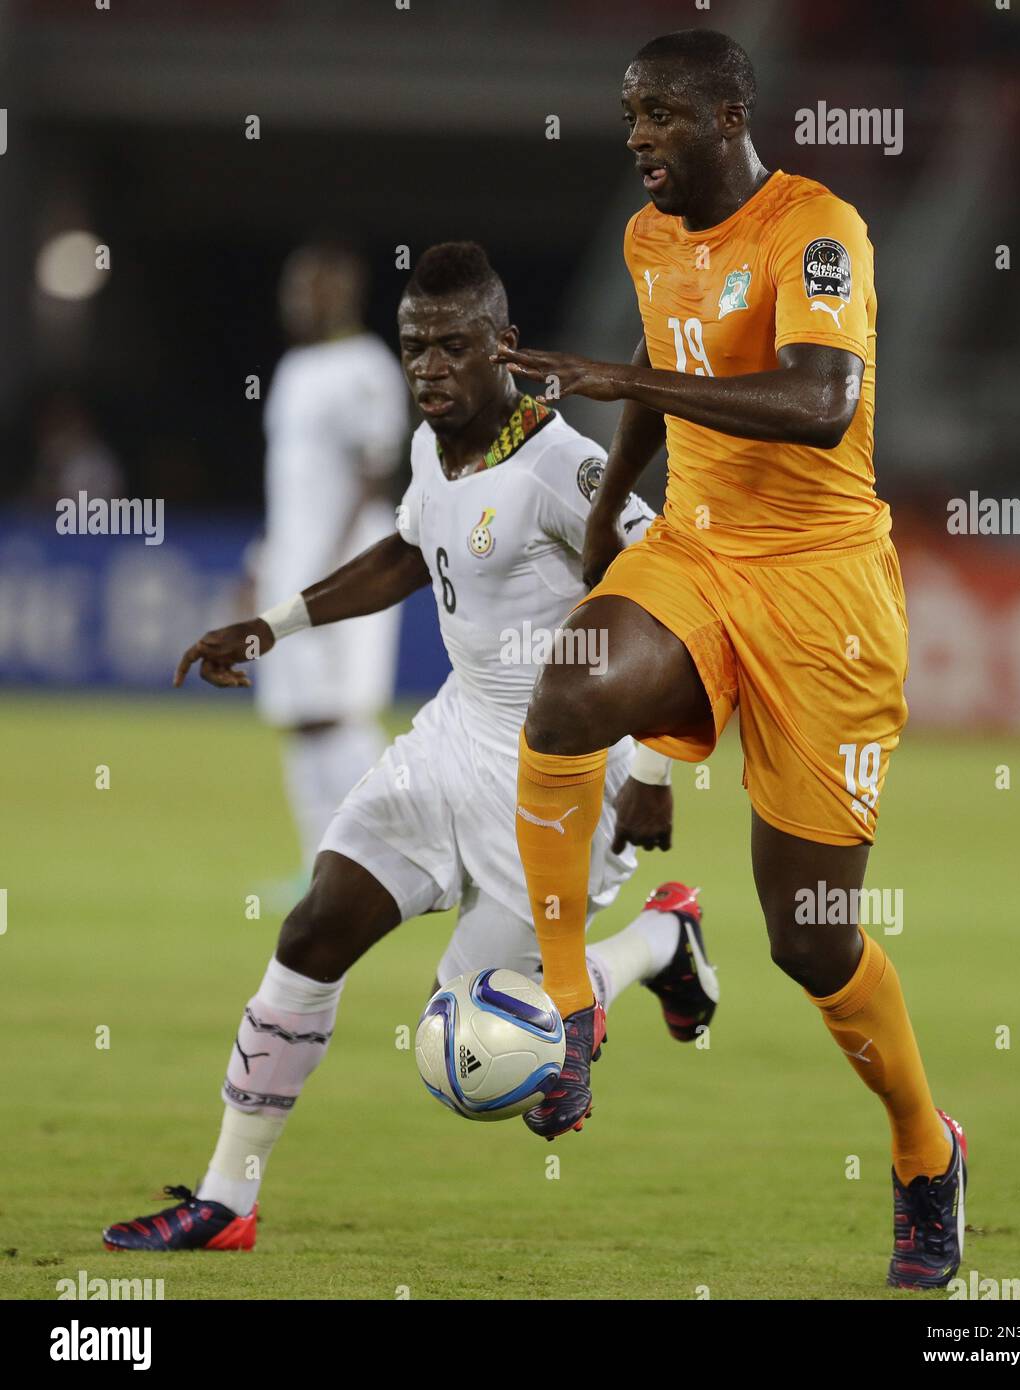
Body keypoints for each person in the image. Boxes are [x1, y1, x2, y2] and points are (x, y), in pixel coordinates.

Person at [102, 242, 718, 1254]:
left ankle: (662, 941)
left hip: (561, 783)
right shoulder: (439, 445)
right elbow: (406, 548)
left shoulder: (570, 471)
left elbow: (678, 614)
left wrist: (652, 770)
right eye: (414, 346)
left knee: (476, 1044)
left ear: (504, 348)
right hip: (449, 739)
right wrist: (271, 626)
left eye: (452, 346)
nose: (428, 367)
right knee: (312, 931)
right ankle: (227, 1197)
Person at [492, 30, 966, 1291]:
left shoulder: (818, 232)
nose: (637, 134)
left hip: (824, 595)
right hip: (699, 550)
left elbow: (818, 406)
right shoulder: (654, 240)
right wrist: (604, 527)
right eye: (627, 112)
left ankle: (925, 1151)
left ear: (729, 113)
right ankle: (568, 1005)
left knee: (810, 938)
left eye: (658, 113)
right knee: (569, 690)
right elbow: (664, 375)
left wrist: (606, 375)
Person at [256, 243, 409, 876]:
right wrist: (265, 564)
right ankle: (319, 868)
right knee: (298, 717)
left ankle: (400, 848)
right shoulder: (294, 367)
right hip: (291, 564)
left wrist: (335, 567)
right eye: (292, 287)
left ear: (340, 292)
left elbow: (375, 471)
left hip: (343, 569)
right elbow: (292, 485)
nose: (294, 300)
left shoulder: (365, 366)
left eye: (308, 288)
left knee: (338, 713)